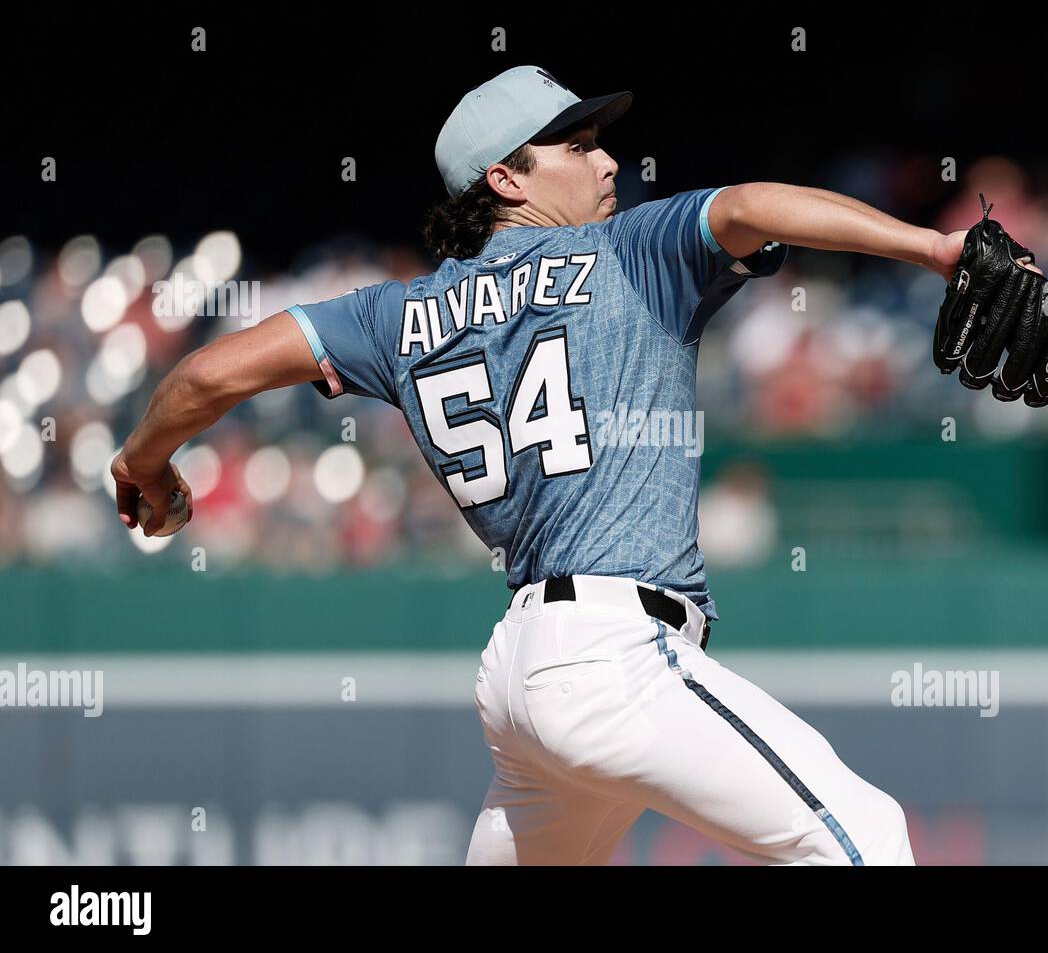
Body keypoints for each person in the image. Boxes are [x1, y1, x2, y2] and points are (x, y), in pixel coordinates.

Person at [113, 65, 974, 865]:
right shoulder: (631, 253)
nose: (606, 161)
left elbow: (207, 374)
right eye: (578, 145)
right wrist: (935, 251)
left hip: (524, 675)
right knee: (865, 834)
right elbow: (751, 202)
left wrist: (143, 465)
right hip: (616, 654)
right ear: (506, 180)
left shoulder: (395, 315)